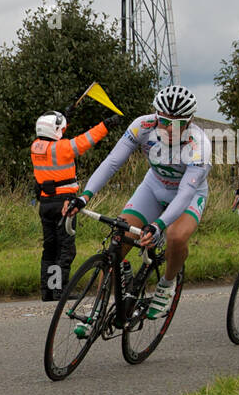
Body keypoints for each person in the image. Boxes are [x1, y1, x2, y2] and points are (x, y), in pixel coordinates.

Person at [66, 85, 210, 319]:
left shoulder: (199, 145)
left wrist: (158, 225)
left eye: (179, 123)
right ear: (156, 116)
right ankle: (97, 309)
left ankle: (167, 284)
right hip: (153, 188)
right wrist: (85, 195)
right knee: (118, 238)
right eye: (164, 121)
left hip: (188, 196)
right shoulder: (142, 126)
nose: (170, 129)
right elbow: (113, 162)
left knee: (176, 237)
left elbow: (186, 191)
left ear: (190, 121)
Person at [31, 109, 116, 301]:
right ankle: (60, 291)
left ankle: (48, 291)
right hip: (65, 205)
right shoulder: (63, 148)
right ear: (56, 130)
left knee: (50, 247)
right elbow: (88, 139)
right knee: (65, 248)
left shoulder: (35, 146)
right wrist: (106, 125)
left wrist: (66, 118)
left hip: (45, 204)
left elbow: (54, 132)